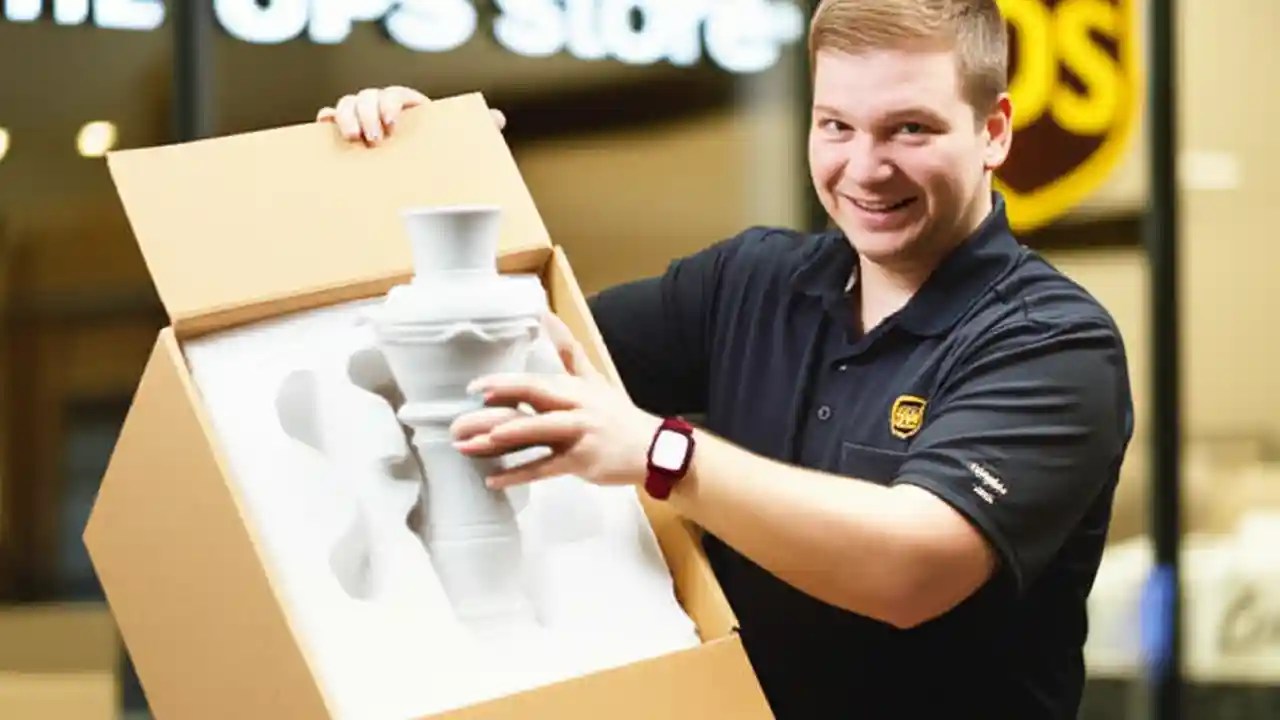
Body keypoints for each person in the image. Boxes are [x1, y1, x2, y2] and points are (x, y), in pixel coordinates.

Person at [318, 1, 1134, 717]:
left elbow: (912, 569)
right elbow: (505, 365)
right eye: (835, 125)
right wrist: (416, 166)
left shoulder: (1052, 342)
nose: (864, 166)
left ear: (993, 132)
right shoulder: (751, 282)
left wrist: (659, 452)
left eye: (909, 128)